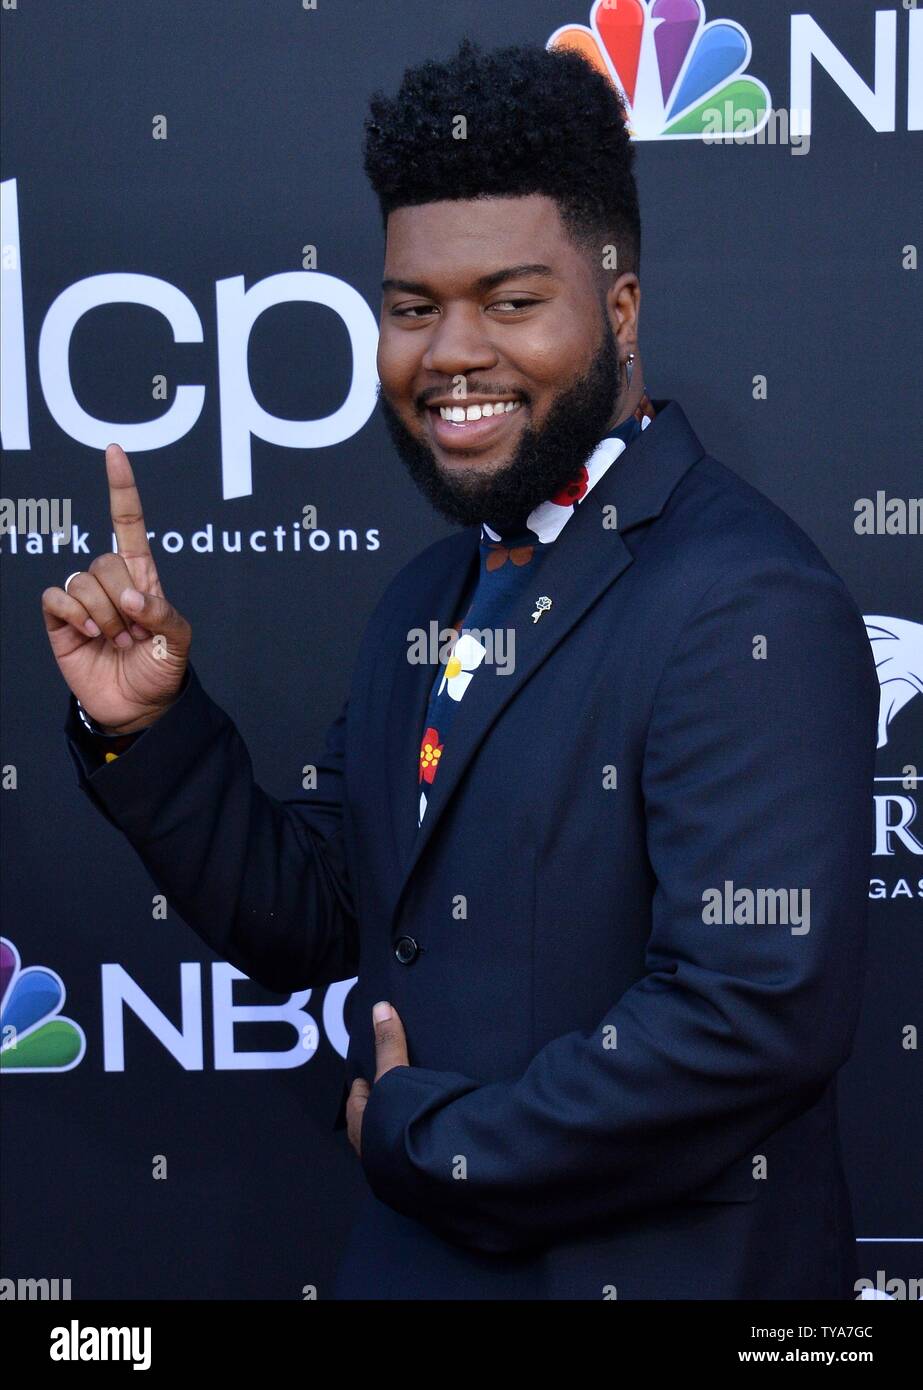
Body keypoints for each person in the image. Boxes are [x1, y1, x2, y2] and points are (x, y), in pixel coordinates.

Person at [42, 38, 879, 1299]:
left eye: (509, 299)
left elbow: (748, 1017)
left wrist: (426, 1142)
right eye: (412, 307)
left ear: (620, 307)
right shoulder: (429, 595)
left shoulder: (743, 598)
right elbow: (319, 909)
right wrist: (149, 730)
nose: (450, 355)